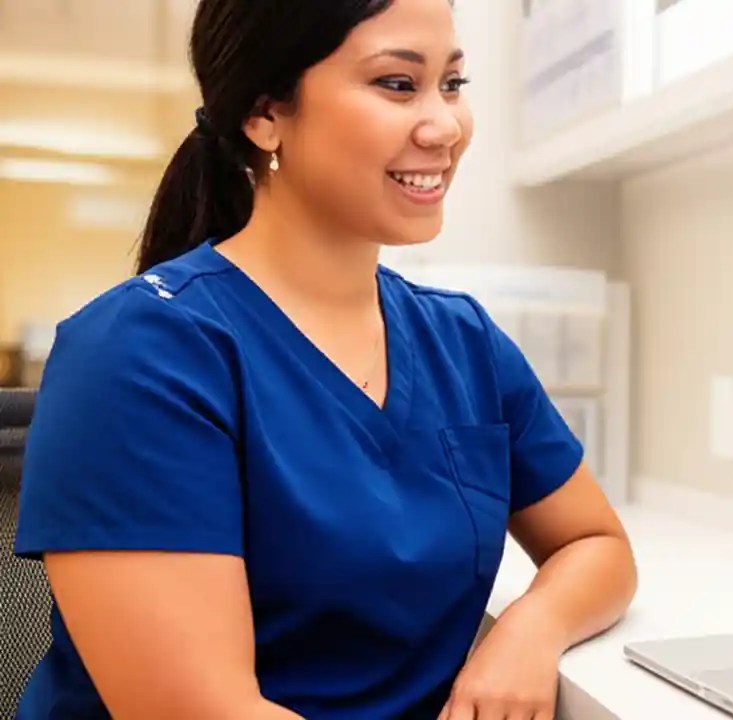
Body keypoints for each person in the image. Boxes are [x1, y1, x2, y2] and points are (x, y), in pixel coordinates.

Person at [13, 1, 637, 718]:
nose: (445, 126)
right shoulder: (138, 354)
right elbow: (199, 711)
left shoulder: (463, 343)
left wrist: (530, 629)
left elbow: (594, 543)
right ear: (264, 113)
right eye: (398, 85)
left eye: (454, 85)